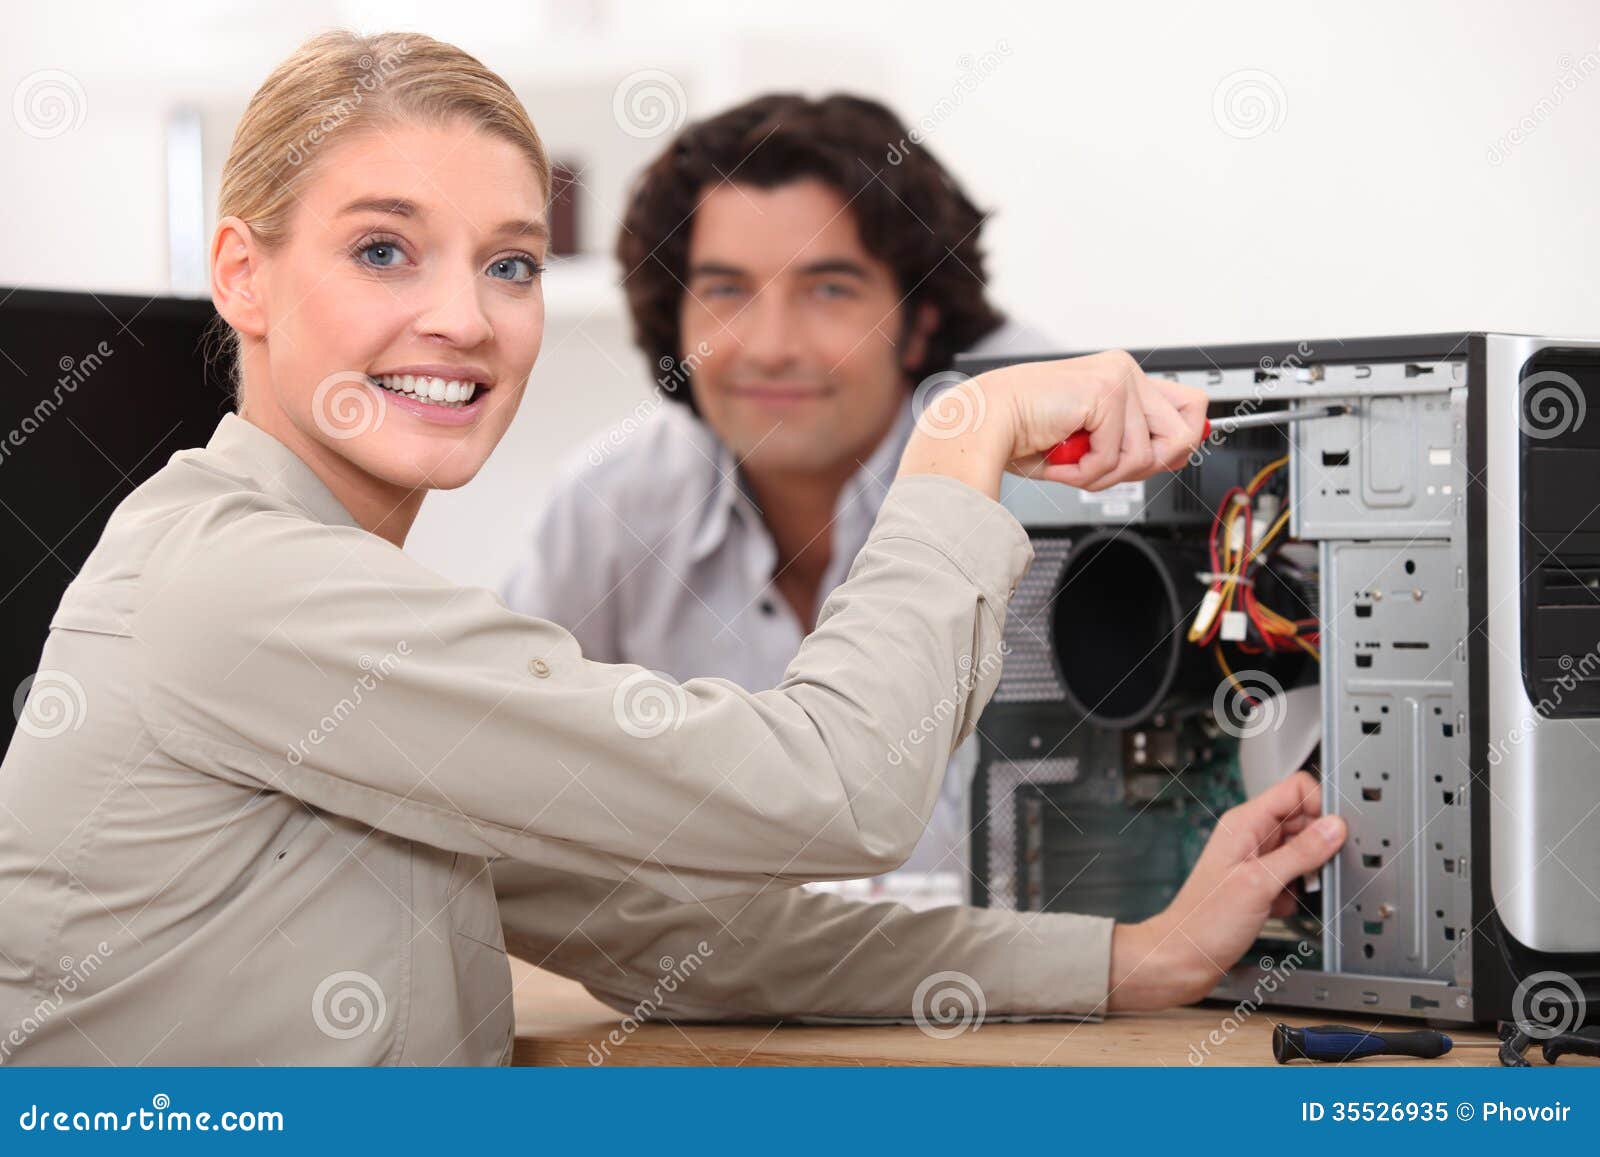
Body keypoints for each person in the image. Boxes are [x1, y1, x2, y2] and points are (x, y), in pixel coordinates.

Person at [0, 30, 1345, 1066]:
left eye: (511, 263)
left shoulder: (305, 601)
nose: (463, 319)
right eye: (382, 250)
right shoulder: (244, 587)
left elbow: (690, 938)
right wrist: (975, 423)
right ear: (242, 274)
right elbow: (842, 789)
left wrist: (1135, 956)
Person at [500, 95, 1051, 897]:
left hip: (1017, 1004)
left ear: (921, 318)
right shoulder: (610, 502)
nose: (772, 346)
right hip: (694, 1009)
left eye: (829, 290)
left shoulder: (1042, 489)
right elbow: (512, 773)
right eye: (727, 291)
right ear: (675, 316)